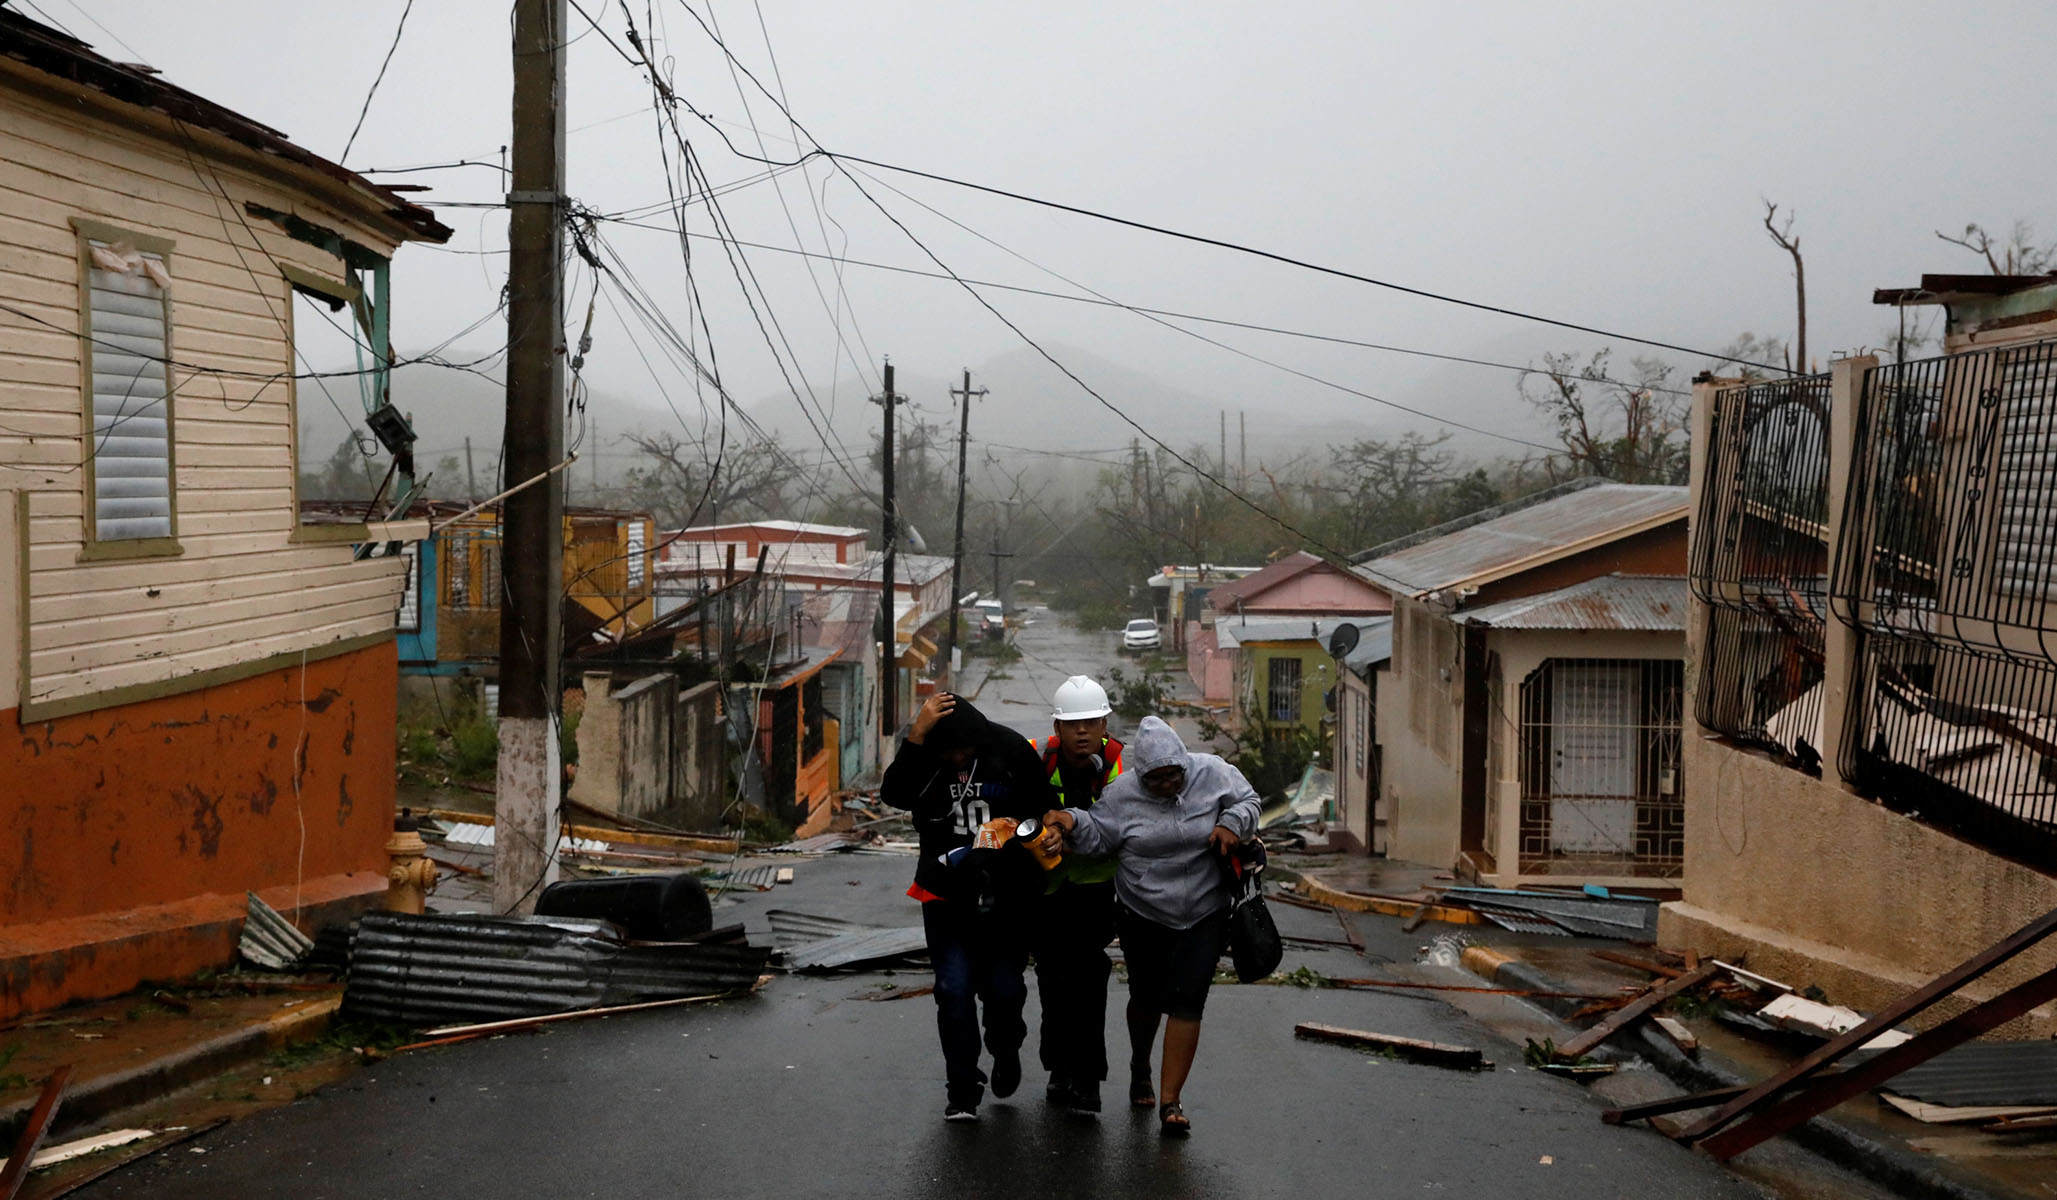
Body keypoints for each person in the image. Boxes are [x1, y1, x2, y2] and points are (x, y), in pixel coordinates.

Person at [1042, 714, 1260, 1137]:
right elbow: (1097, 834)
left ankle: (1170, 1101)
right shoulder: (1121, 794)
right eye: (1155, 780)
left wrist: (1231, 824)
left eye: (1173, 776)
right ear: (1141, 775)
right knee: (1146, 997)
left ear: (1184, 764)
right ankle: (1140, 1063)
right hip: (1144, 912)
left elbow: (1249, 801)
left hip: (1205, 908)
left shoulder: (1213, 772)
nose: (1166, 786)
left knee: (1189, 1000)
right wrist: (1069, 820)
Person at [883, 690, 1053, 1123]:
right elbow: (895, 795)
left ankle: (1006, 1046)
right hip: (944, 896)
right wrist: (917, 735)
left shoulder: (1010, 749)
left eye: (965, 749)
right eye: (950, 750)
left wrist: (1019, 835)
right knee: (953, 990)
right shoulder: (925, 757)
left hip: (1007, 895)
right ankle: (962, 1089)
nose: (958, 756)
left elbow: (1042, 808)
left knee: (1004, 990)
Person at [1030, 676, 1125, 1114]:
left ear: (1104, 722)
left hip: (1096, 892)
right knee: (1052, 980)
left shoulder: (1122, 766)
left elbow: (1122, 828)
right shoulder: (1037, 758)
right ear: (1058, 726)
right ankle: (1059, 1066)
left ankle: (1088, 1079)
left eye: (1091, 722)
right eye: (1073, 724)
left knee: (1088, 979)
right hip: (1048, 893)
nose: (1082, 731)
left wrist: (1068, 836)